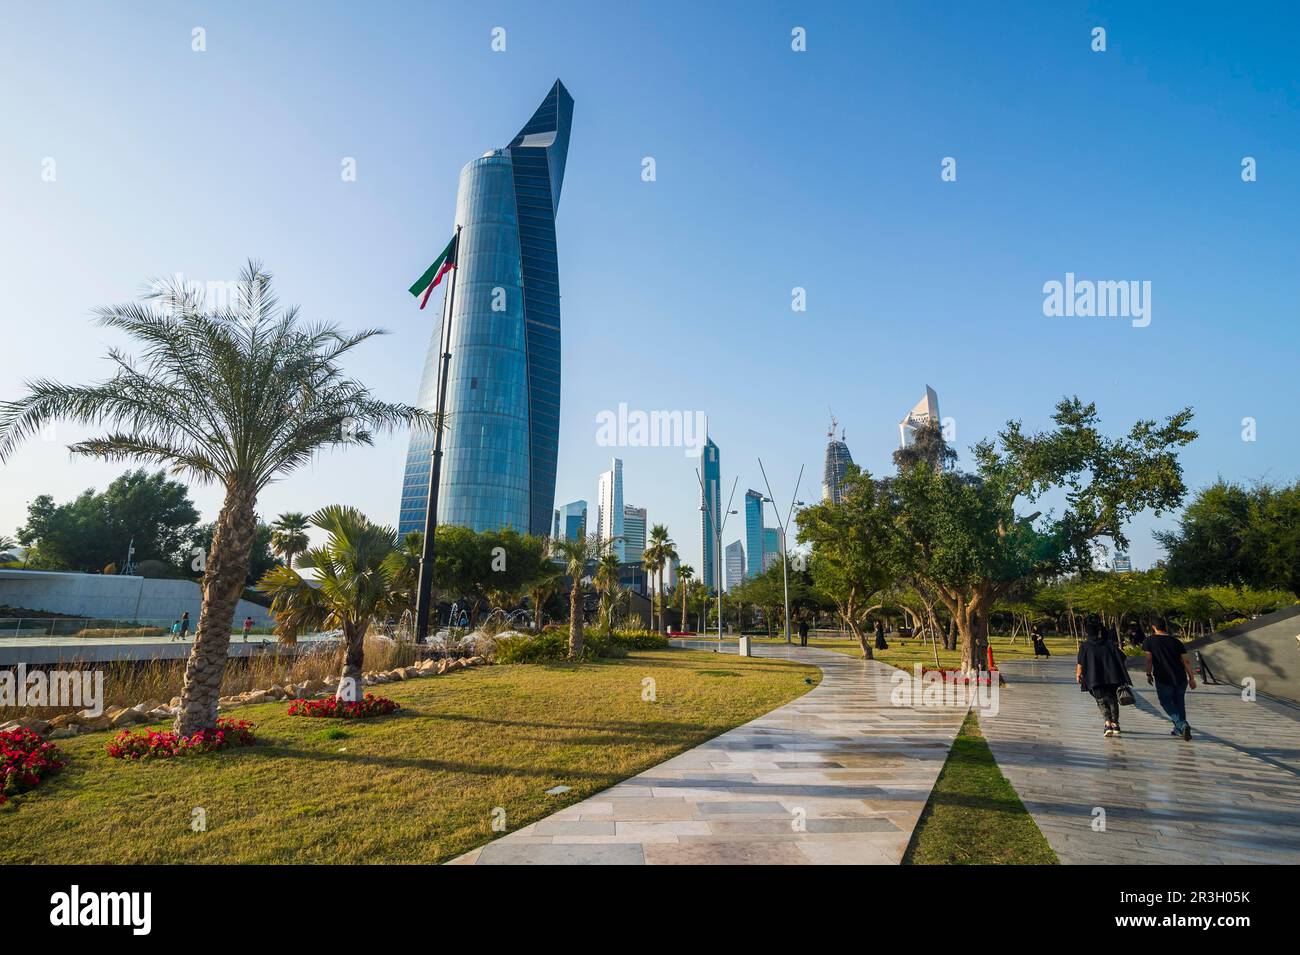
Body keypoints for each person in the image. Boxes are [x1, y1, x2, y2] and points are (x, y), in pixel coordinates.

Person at [1143, 615, 1196, 740]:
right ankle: (1179, 729)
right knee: (1179, 702)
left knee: (1166, 702)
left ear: (1154, 627)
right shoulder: (1176, 641)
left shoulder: (1149, 641)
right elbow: (1186, 661)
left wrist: (1148, 673)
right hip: (1180, 677)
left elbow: (1149, 660)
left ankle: (1181, 724)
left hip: (1163, 677)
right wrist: (1191, 678)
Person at [1076, 618, 1132, 737]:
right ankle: (1115, 724)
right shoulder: (1109, 644)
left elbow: (1080, 663)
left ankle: (1107, 724)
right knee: (1112, 700)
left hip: (1094, 678)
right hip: (1112, 677)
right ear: (1098, 631)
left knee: (1101, 701)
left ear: (1087, 632)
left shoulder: (1085, 646)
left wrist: (1078, 675)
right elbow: (1122, 657)